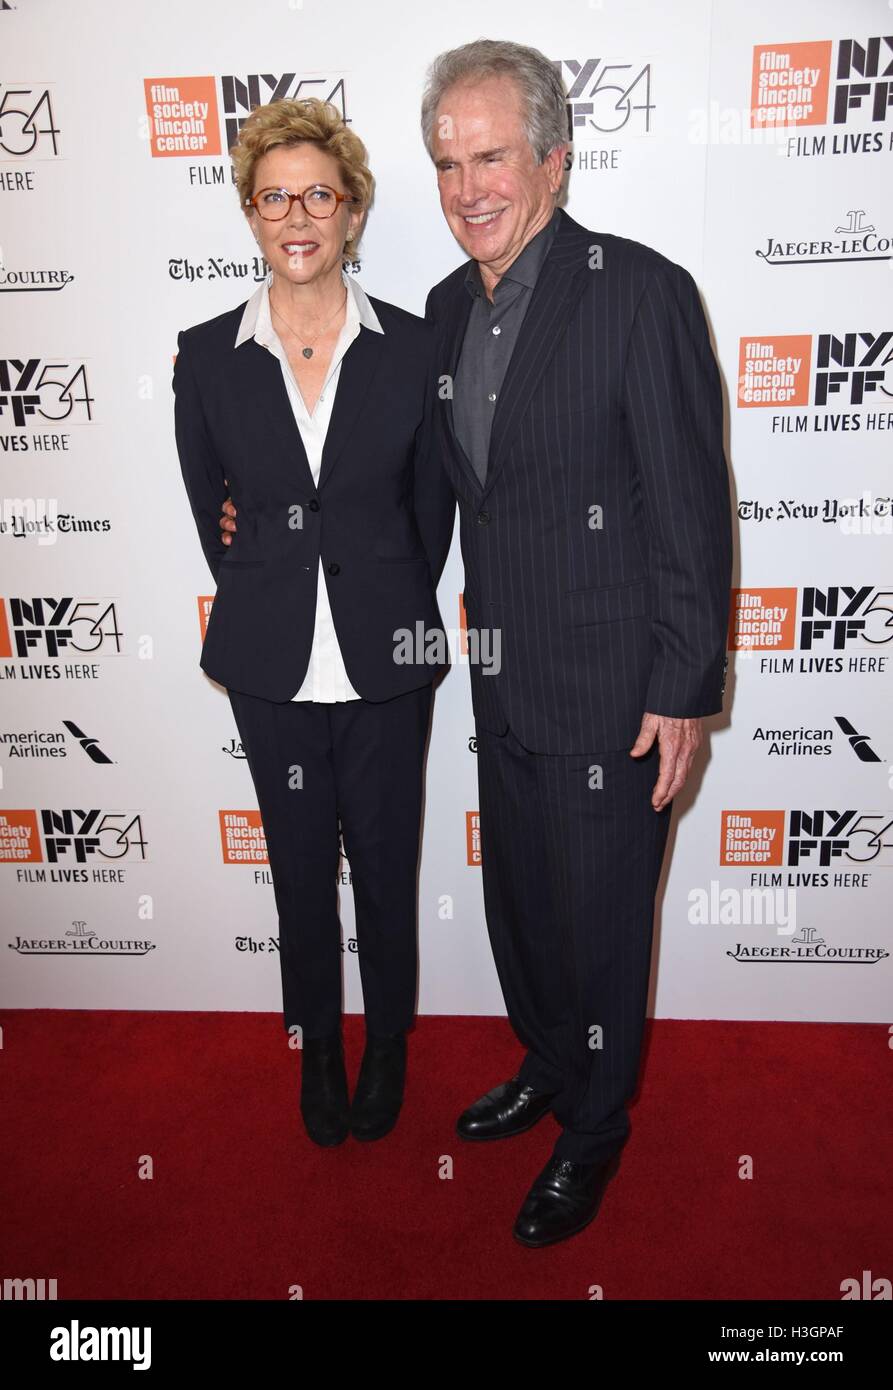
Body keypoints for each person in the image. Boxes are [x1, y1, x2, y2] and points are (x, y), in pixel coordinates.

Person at [219, 40, 733, 1248]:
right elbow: (406, 498)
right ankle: (551, 1066)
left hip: (615, 692)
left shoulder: (638, 290)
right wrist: (269, 514)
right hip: (499, 685)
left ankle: (595, 1131)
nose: (467, 189)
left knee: (603, 926)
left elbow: (687, 506)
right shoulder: (444, 313)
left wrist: (680, 688)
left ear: (552, 158)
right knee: (524, 914)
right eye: (447, 163)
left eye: (490, 156)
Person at [173, 98, 455, 1150]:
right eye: (274, 196)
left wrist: (374, 594)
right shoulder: (205, 355)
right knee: (298, 872)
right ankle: (319, 1050)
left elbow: (431, 515)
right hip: (268, 661)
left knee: (385, 866)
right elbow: (215, 515)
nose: (297, 215)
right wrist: (280, 583)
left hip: (386, 660)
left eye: (318, 195)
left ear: (351, 210)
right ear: (250, 212)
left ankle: (384, 1045)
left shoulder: (413, 346)